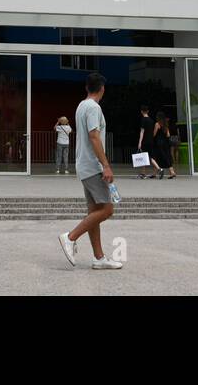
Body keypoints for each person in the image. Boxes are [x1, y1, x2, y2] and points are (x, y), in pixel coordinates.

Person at [58, 72, 122, 270]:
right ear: (102, 89)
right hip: (93, 166)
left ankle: (99, 258)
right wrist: (106, 165)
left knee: (94, 211)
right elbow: (94, 136)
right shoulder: (94, 108)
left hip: (83, 165)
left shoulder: (81, 106)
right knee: (107, 209)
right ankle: (70, 237)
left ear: (87, 88)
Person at [136, 105, 161, 179]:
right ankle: (144, 173)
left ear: (141, 111)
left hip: (145, 141)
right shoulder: (151, 120)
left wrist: (140, 142)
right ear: (148, 111)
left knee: (146, 157)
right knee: (148, 156)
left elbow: (142, 131)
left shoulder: (143, 119)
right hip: (151, 141)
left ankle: (159, 169)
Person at [153, 111, 177, 179]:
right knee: (165, 157)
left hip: (159, 143)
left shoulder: (157, 124)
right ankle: (155, 173)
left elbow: (154, 134)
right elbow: (168, 135)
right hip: (165, 143)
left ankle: (171, 172)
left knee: (159, 157)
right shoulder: (165, 124)